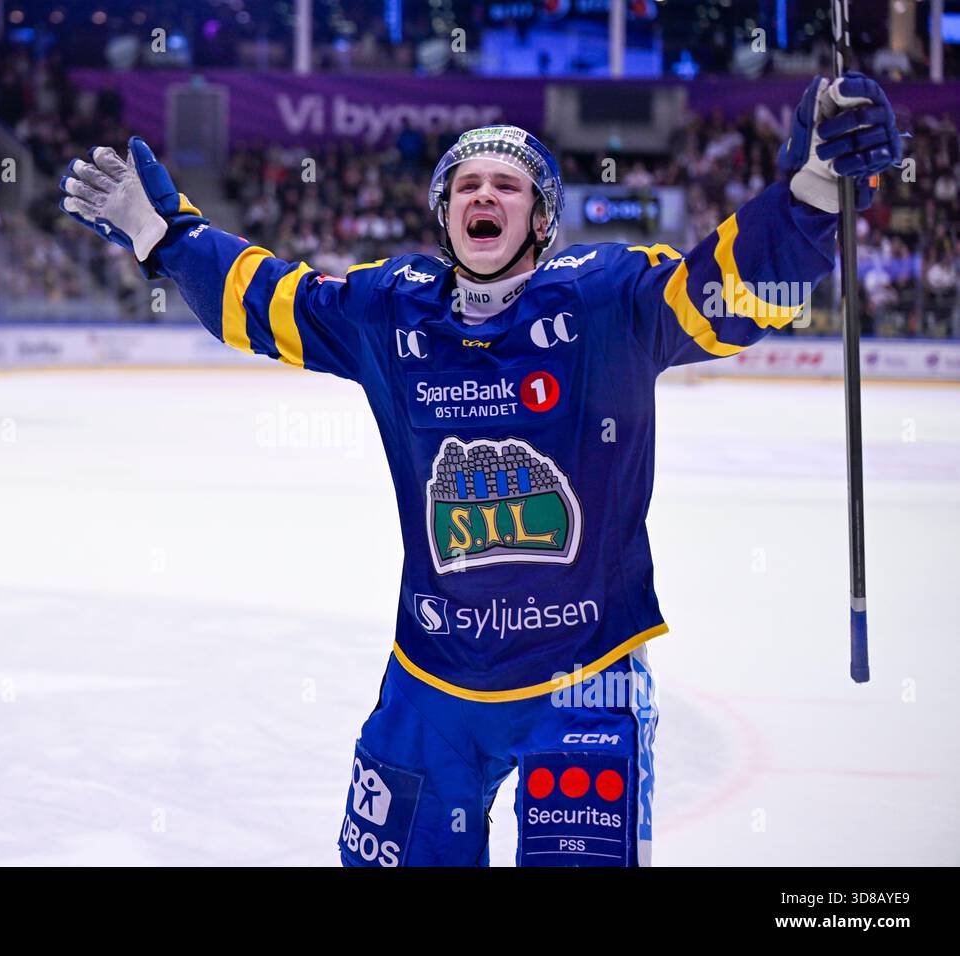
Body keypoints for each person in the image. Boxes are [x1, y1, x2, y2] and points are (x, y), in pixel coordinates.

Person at [59, 73, 902, 866]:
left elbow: (733, 291)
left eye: (506, 184)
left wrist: (815, 193)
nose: (483, 196)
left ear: (541, 218)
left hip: (584, 674)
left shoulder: (608, 300)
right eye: (465, 186)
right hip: (432, 683)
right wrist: (168, 238)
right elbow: (271, 302)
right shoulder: (391, 309)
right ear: (445, 215)